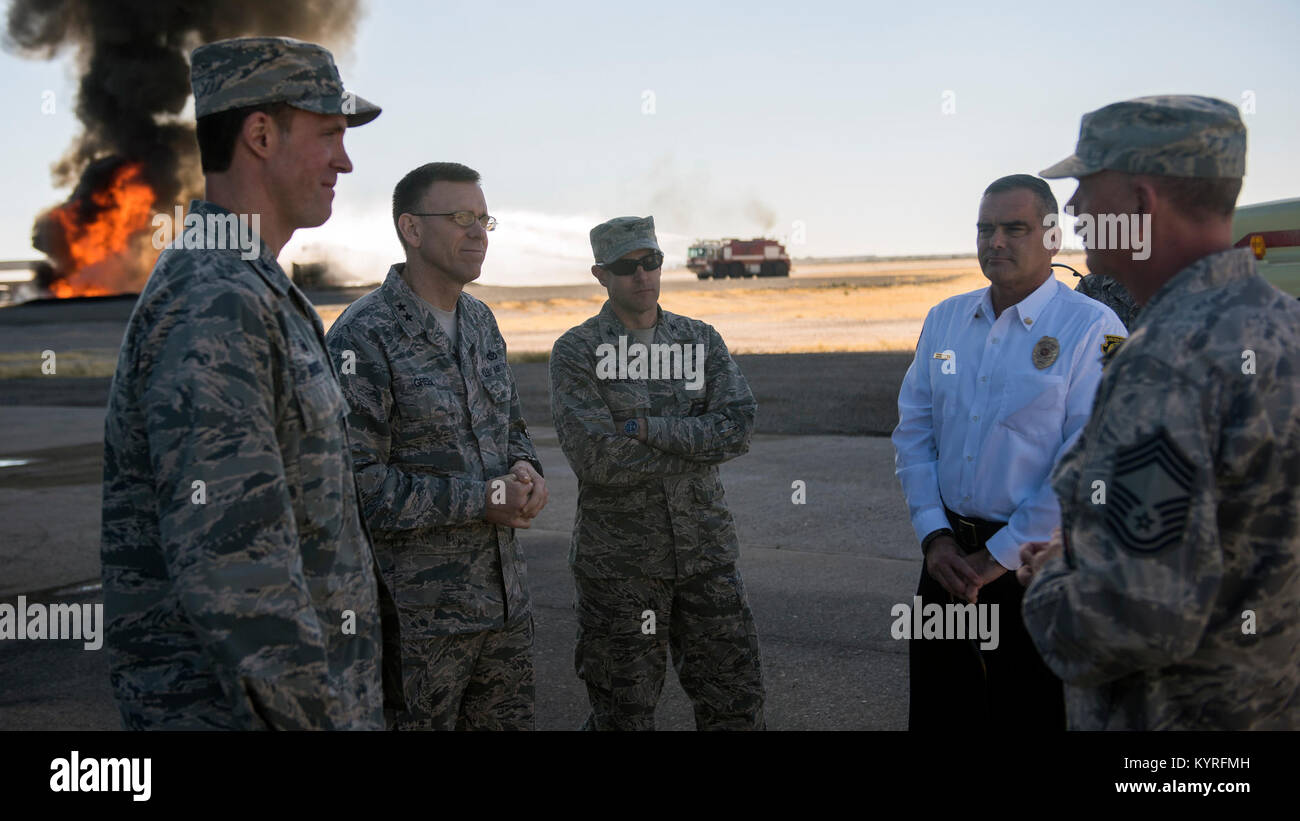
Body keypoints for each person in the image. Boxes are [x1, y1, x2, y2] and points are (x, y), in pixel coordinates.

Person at [100, 36, 401, 729]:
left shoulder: (252, 286)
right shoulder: (216, 299)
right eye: (328, 133)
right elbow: (239, 579)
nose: (345, 159)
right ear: (260, 135)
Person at [1019, 95, 1300, 730]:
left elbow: (1140, 618)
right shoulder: (1284, 327)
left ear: (1141, 206)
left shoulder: (1167, 364)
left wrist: (1051, 579)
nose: (1073, 211)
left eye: (1086, 188)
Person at [892, 174, 1126, 730]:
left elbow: (1088, 460)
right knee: (939, 710)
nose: (995, 242)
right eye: (985, 228)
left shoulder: (1095, 329)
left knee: (1029, 714)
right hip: (946, 565)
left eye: (1014, 228)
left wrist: (996, 558)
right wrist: (935, 535)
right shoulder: (946, 319)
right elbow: (914, 432)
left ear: (1052, 238)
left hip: (1033, 572)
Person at [326, 162, 546, 731]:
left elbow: (511, 426)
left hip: (503, 610)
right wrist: (482, 500)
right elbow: (357, 489)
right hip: (418, 627)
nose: (479, 232)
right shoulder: (362, 336)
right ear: (412, 229)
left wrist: (526, 468)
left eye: (483, 218)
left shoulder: (479, 322)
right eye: (460, 217)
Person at [549, 215, 766, 730]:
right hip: (621, 568)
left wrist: (646, 428)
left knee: (735, 703)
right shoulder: (577, 351)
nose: (643, 276)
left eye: (651, 262)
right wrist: (696, 441)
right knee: (622, 713)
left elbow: (737, 428)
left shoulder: (699, 340)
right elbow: (599, 460)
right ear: (601, 275)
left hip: (706, 557)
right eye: (627, 267)